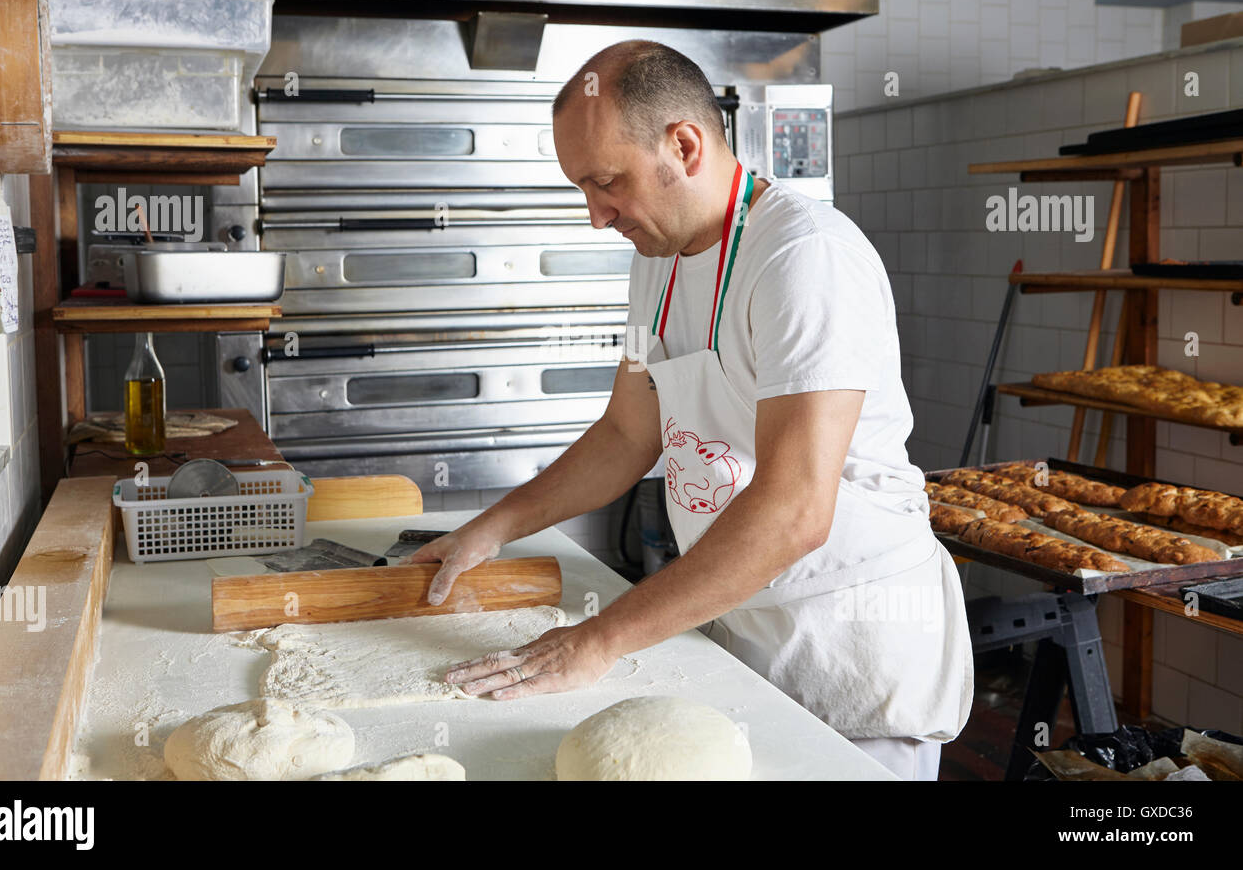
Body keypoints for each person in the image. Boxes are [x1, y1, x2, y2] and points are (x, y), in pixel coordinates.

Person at [409, 39, 973, 780]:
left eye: (606, 182)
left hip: (848, 641)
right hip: (737, 617)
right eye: (583, 189)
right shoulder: (658, 265)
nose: (596, 216)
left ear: (684, 145)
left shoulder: (804, 257)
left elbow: (797, 509)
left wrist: (599, 640)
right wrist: (488, 529)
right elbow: (626, 432)